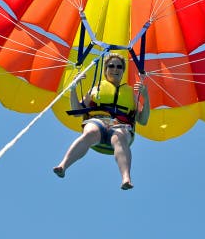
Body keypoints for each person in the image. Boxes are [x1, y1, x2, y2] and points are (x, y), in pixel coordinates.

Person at [52, 53, 150, 190]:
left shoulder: (131, 93)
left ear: (123, 71)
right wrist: (73, 89)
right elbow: (77, 110)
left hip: (120, 125)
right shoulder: (95, 89)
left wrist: (145, 96)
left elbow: (143, 120)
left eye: (119, 67)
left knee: (119, 137)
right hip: (98, 121)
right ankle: (63, 165)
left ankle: (126, 178)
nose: (115, 69)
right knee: (90, 132)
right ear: (105, 70)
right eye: (111, 66)